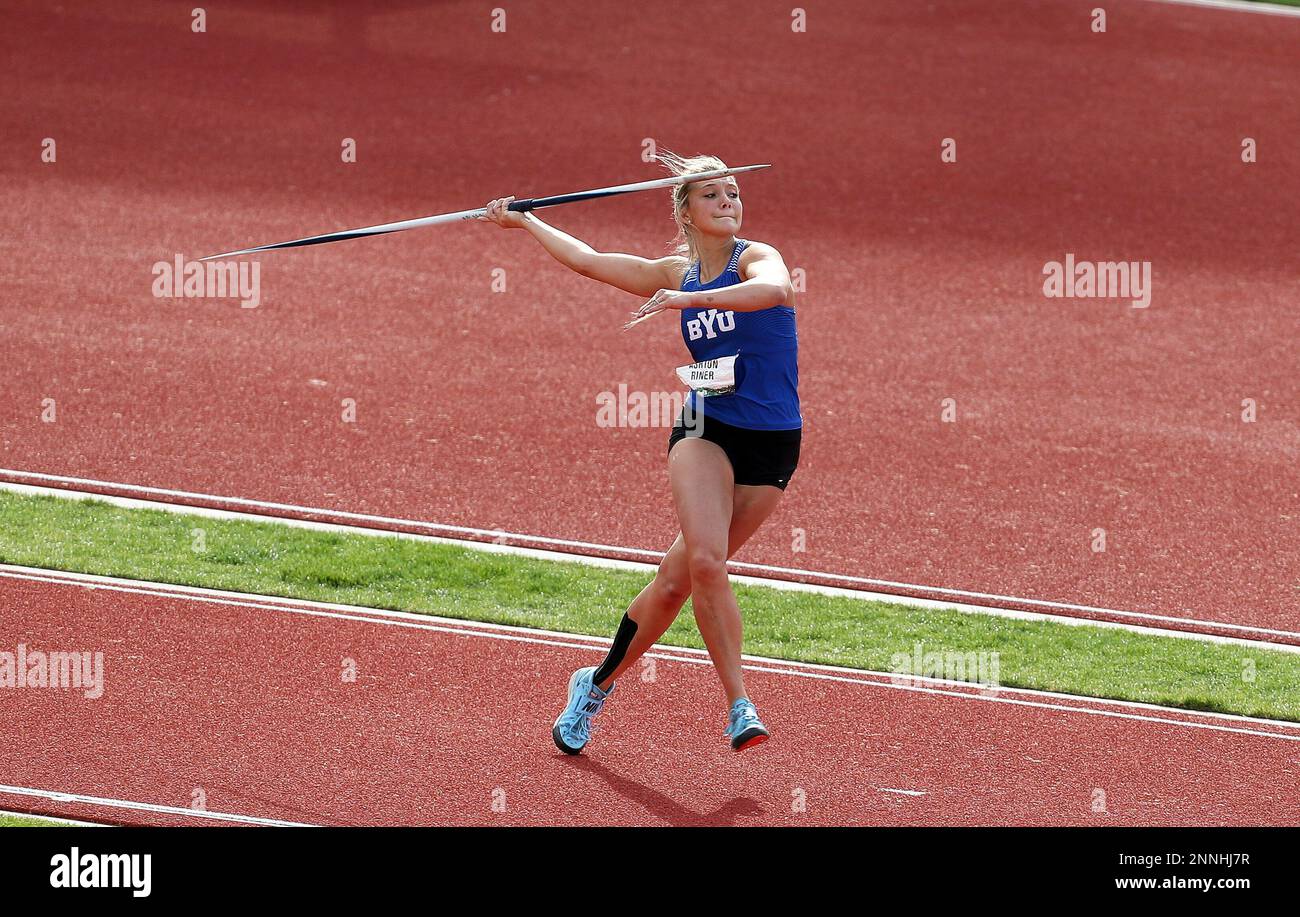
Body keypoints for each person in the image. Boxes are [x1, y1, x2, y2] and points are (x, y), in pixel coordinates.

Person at [478, 152, 801, 752]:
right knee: (708, 562)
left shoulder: (754, 259)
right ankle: (740, 706)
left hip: (774, 441)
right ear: (686, 209)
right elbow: (591, 261)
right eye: (712, 195)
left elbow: (774, 288)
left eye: (732, 193)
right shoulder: (676, 273)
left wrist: (692, 303)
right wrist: (525, 222)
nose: (729, 201)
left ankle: (593, 684)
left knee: (677, 583)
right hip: (707, 427)